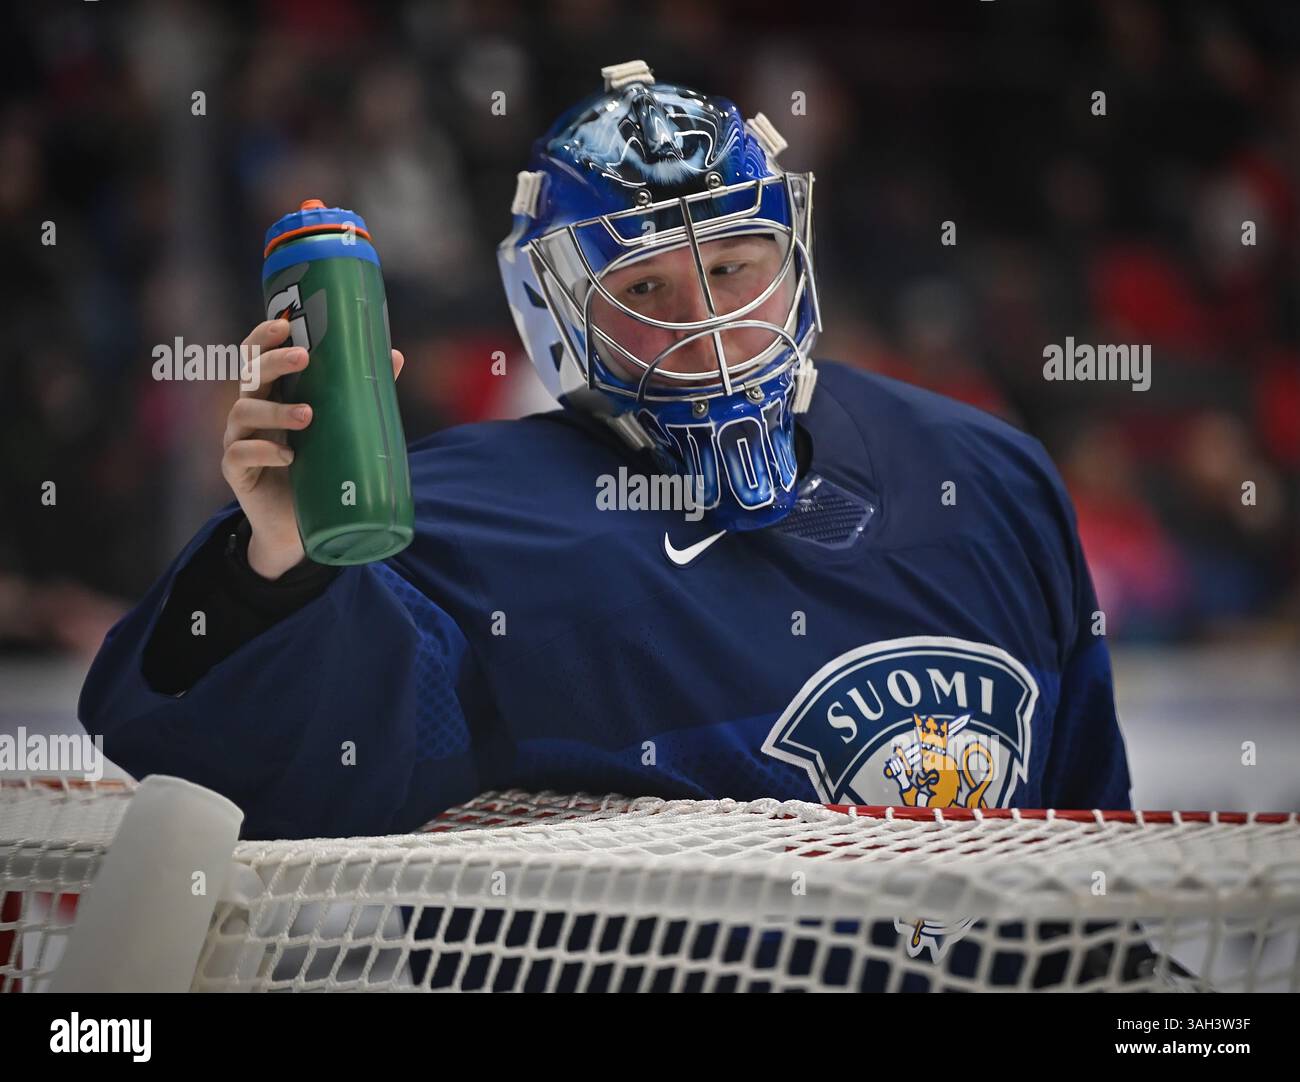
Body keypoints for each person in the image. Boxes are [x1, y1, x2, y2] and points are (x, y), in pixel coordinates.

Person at [79, 62, 1130, 963]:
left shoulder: (984, 476)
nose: (709, 326)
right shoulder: (458, 528)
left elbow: (1091, 877)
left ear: (791, 256)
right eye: (648, 290)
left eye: (731, 268)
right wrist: (283, 565)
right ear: (556, 310)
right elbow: (250, 793)